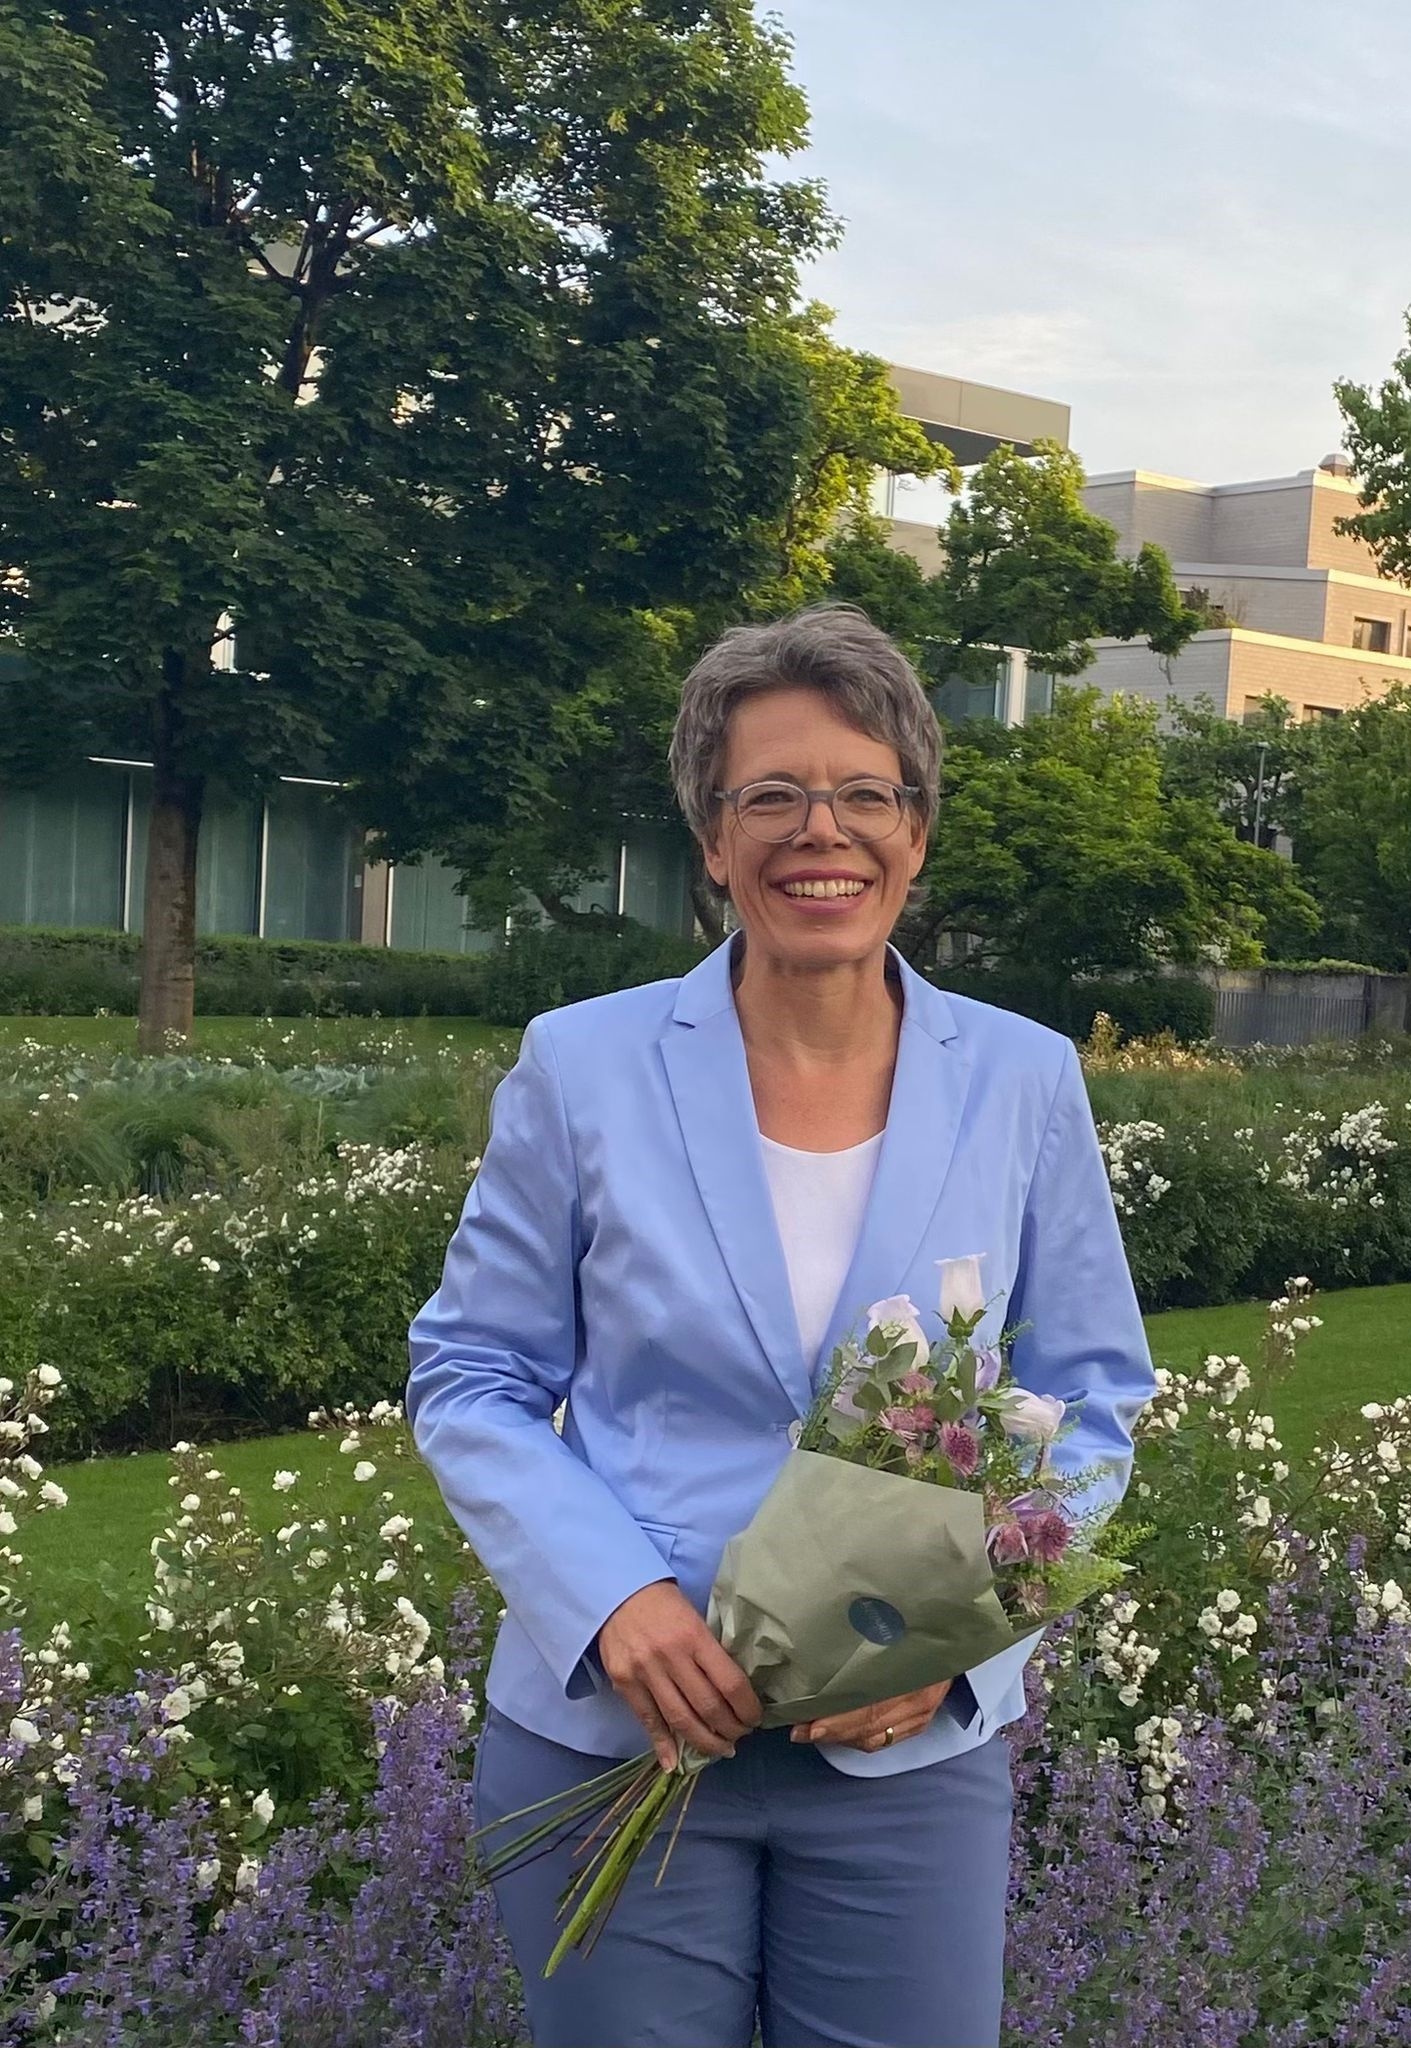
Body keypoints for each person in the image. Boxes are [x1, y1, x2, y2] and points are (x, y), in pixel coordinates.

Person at [406, 603, 1155, 2048]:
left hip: (905, 1759)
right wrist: (614, 1603)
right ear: (712, 836)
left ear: (916, 833)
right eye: (772, 796)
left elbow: (1092, 1397)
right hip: (618, 1734)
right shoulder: (583, 1066)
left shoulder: (1023, 1079)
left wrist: (956, 1640)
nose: (825, 831)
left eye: (867, 792)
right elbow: (474, 1375)